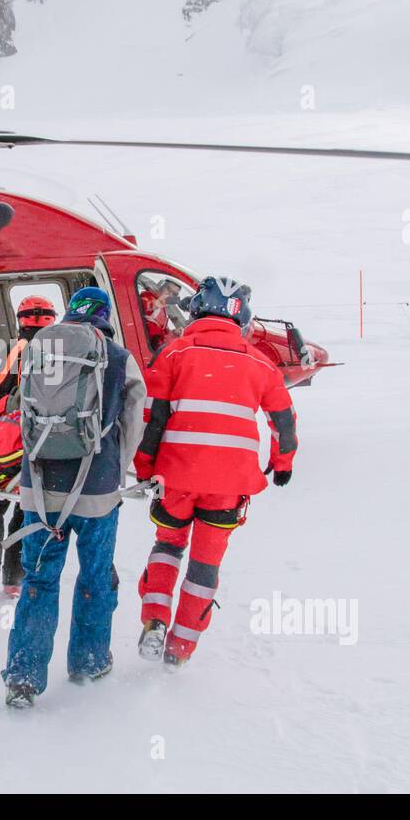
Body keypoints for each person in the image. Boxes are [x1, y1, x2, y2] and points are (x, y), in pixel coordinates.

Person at [132, 276, 298, 668]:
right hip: (229, 485)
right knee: (206, 563)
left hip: (176, 478)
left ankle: (155, 619)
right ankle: (181, 648)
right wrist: (283, 463)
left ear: (196, 312)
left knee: (168, 546)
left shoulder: (174, 353)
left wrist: (144, 467)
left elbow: (150, 417)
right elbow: (284, 420)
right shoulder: (260, 362)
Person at [2, 287, 145, 707]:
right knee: (95, 576)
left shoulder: (36, 350)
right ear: (104, 318)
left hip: (39, 488)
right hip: (96, 492)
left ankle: (23, 677)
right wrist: (118, 468)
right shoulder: (117, 356)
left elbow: (21, 410)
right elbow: (134, 416)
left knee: (40, 580)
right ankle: (89, 661)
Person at [0, 295, 57, 602]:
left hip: (5, 442)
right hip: (44, 445)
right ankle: (15, 579)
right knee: (27, 507)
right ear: (51, 320)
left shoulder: (7, 351)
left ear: (21, 320)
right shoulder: (61, 353)